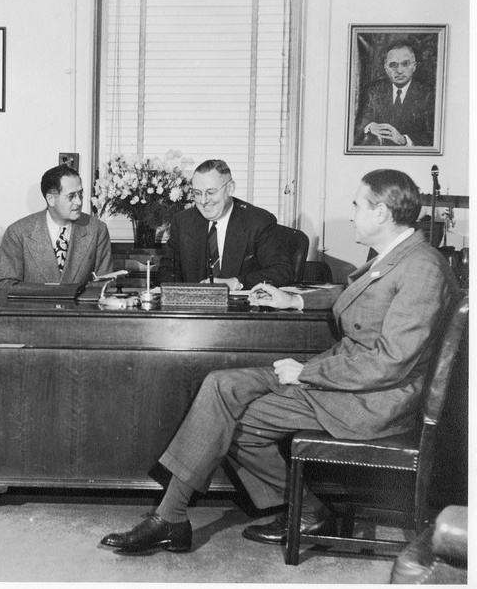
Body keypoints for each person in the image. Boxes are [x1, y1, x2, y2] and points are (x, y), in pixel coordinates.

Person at [100, 169, 457, 553]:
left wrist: (307, 371)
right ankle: (197, 516)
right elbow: (357, 295)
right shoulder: (397, 256)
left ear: (382, 212)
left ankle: (179, 517)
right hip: (351, 382)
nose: (351, 213)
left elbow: (391, 361)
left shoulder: (422, 268)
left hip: (373, 400)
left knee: (231, 420)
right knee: (223, 387)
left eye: (357, 205)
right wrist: (297, 298)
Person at [159, 159, 293, 290]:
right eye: (197, 193)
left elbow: (281, 271)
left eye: (211, 192)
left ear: (230, 188)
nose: (204, 201)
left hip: (241, 309)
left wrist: (236, 283)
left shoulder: (258, 221)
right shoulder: (183, 222)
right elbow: (167, 271)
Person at [0, 165, 113, 295]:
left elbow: (105, 285)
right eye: (71, 196)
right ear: (51, 199)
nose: (79, 202)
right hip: (33, 314)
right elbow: (4, 286)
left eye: (80, 194)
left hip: (80, 313)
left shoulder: (97, 229)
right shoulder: (17, 233)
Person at [354, 42, 435, 147]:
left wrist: (403, 140)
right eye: (393, 65)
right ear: (386, 68)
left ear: (414, 66)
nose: (399, 71)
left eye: (405, 64)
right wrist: (369, 127)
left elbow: (434, 138)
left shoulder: (428, 93)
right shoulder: (373, 90)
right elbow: (358, 128)